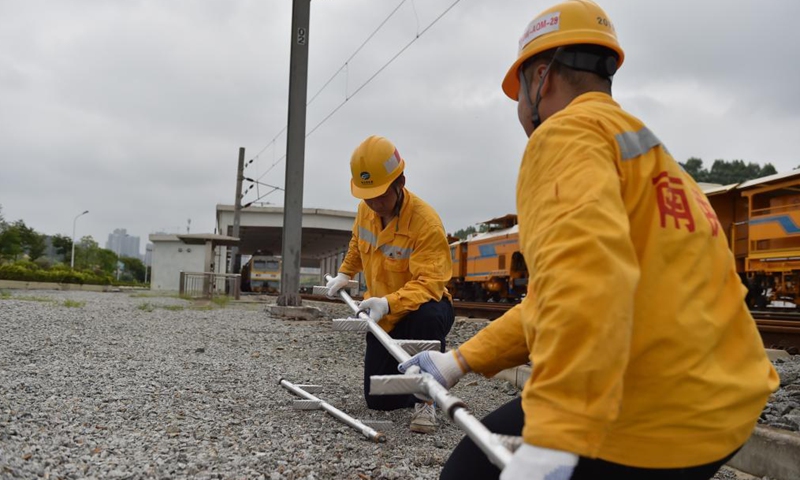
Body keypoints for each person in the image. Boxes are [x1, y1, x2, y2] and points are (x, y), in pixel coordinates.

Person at [399, 1, 779, 479]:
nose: (519, 109)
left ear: (543, 78)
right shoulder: (648, 151)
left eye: (519, 92)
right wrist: (458, 361)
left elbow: (584, 281)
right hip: (730, 402)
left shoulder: (563, 136)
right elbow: (556, 297)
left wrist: (557, 431)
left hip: (662, 412)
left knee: (467, 475)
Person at [326, 135, 455, 434]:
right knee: (378, 399)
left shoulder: (426, 223)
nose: (374, 203)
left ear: (401, 182)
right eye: (367, 196)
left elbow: (431, 283)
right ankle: (418, 381)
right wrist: (346, 274)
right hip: (386, 317)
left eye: (381, 195)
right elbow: (358, 243)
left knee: (430, 316)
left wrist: (388, 303)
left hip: (419, 309)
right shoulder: (366, 210)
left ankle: (427, 399)